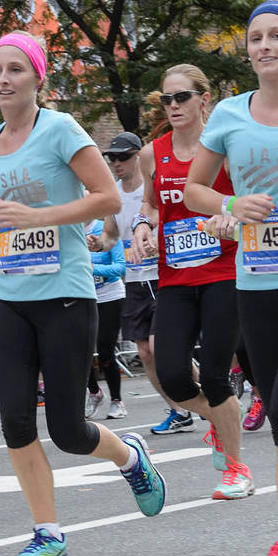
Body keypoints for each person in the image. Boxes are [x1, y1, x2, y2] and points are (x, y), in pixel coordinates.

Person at [0, 30, 166, 556]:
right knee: (15, 419)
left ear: (37, 77)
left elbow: (108, 198)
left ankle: (129, 455)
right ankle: (48, 534)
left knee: (70, 430)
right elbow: (5, 218)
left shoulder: (61, 129)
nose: (3, 79)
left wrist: (40, 217)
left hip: (67, 295)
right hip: (10, 297)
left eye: (15, 70)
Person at [184, 0, 278, 556]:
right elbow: (195, 191)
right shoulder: (228, 113)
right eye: (256, 37)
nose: (264, 46)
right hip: (258, 278)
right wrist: (230, 207)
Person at [130, 64, 251, 500]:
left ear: (204, 100)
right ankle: (221, 425)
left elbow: (243, 204)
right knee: (173, 375)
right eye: (167, 99)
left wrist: (229, 217)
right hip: (175, 278)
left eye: (182, 97)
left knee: (217, 376)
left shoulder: (223, 149)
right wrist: (142, 228)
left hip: (222, 273)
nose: (174, 106)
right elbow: (151, 205)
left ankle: (237, 469)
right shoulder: (152, 154)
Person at [89, 132, 191, 432]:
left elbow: (174, 222)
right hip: (134, 281)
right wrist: (100, 244)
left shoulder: (152, 190)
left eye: (123, 157)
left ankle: (211, 394)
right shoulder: (114, 195)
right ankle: (179, 411)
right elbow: (110, 235)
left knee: (162, 348)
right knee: (145, 352)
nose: (117, 163)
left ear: (138, 157)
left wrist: (156, 242)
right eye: (112, 158)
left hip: (162, 275)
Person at [84, 218, 127, 419]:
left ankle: (117, 401)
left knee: (104, 349)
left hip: (110, 295)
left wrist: (93, 269)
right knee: (79, 350)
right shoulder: (68, 229)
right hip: (83, 295)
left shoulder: (104, 229)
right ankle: (94, 392)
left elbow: (120, 267)